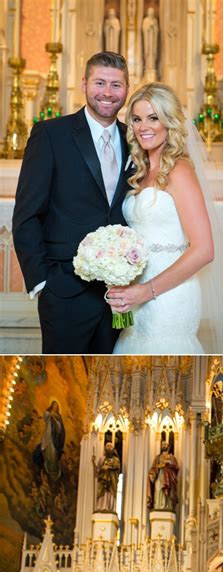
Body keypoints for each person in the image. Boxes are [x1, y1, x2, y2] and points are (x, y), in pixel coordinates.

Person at [12, 52, 130, 353]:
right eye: (100, 83)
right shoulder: (51, 134)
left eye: (116, 85)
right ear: (84, 84)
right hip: (64, 291)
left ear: (127, 89)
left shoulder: (135, 139)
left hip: (122, 295)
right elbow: (27, 214)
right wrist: (41, 283)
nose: (107, 92)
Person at [107, 84, 223, 354]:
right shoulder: (138, 173)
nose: (143, 127)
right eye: (137, 119)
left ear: (169, 122)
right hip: (135, 291)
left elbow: (204, 250)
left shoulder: (179, 170)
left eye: (153, 118)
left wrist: (146, 291)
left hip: (170, 293)